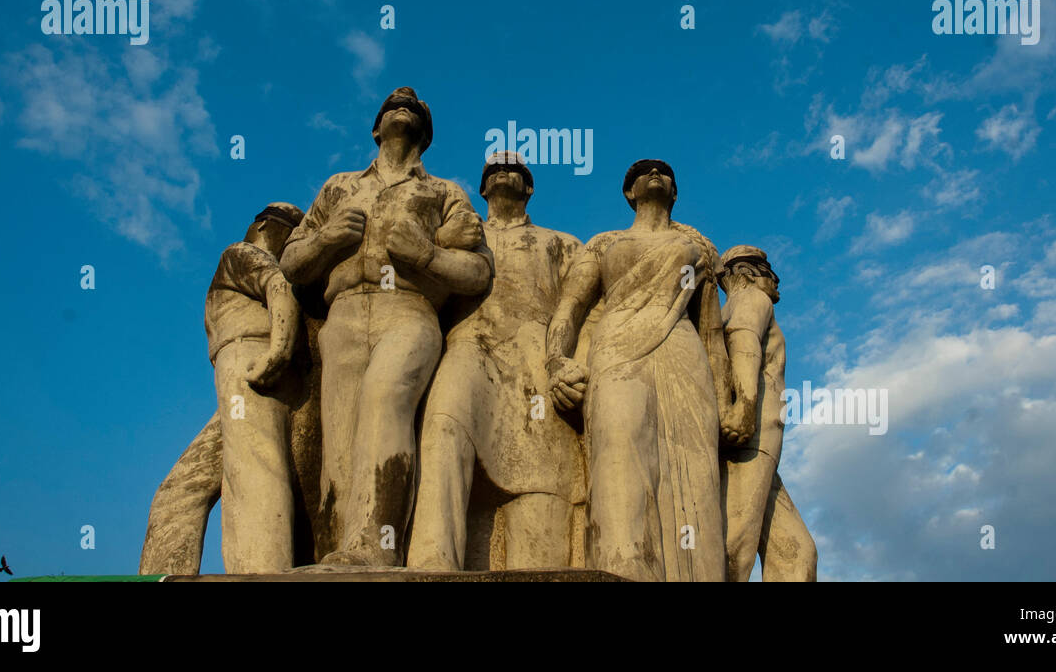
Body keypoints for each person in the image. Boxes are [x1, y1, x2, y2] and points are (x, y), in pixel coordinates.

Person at [280, 87, 492, 566]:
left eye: (414, 105)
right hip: (345, 316)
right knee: (341, 445)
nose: (404, 99)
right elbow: (291, 261)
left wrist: (426, 254)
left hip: (410, 311)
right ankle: (342, 554)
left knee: (385, 400)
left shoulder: (443, 192)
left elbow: (479, 272)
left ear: (426, 133)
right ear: (376, 128)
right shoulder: (338, 187)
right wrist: (329, 238)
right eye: (392, 103)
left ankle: (377, 548)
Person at [545, 160, 728, 581]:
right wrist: (556, 361)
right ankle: (624, 568)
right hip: (617, 348)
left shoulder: (698, 246)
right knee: (619, 447)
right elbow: (569, 309)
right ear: (629, 192)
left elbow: (712, 332)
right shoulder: (605, 242)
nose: (655, 174)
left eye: (665, 171)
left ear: (676, 192)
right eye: (643, 172)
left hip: (682, 350)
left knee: (696, 469)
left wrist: (729, 401)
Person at [408, 153, 584, 570]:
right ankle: (432, 567)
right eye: (494, 170)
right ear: (483, 187)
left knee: (541, 496)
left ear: (529, 187)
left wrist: (573, 364)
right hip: (470, 348)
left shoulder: (561, 243)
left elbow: (584, 311)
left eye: (516, 171)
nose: (504, 174)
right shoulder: (455, 237)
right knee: (443, 431)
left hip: (536, 361)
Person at [206, 202, 306, 573]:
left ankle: (263, 571)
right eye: (291, 233)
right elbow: (277, 282)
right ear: (265, 226)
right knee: (179, 491)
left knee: (255, 469)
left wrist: (278, 350)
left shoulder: (260, 260)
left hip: (251, 362)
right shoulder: (242, 252)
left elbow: (278, 284)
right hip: (243, 368)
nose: (294, 243)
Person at [716, 245, 817, 582]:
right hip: (750, 439)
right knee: (735, 548)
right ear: (751, 272)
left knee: (796, 552)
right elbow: (744, 341)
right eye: (774, 277)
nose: (777, 287)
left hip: (759, 446)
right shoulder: (750, 299)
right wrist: (744, 408)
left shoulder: (729, 308)